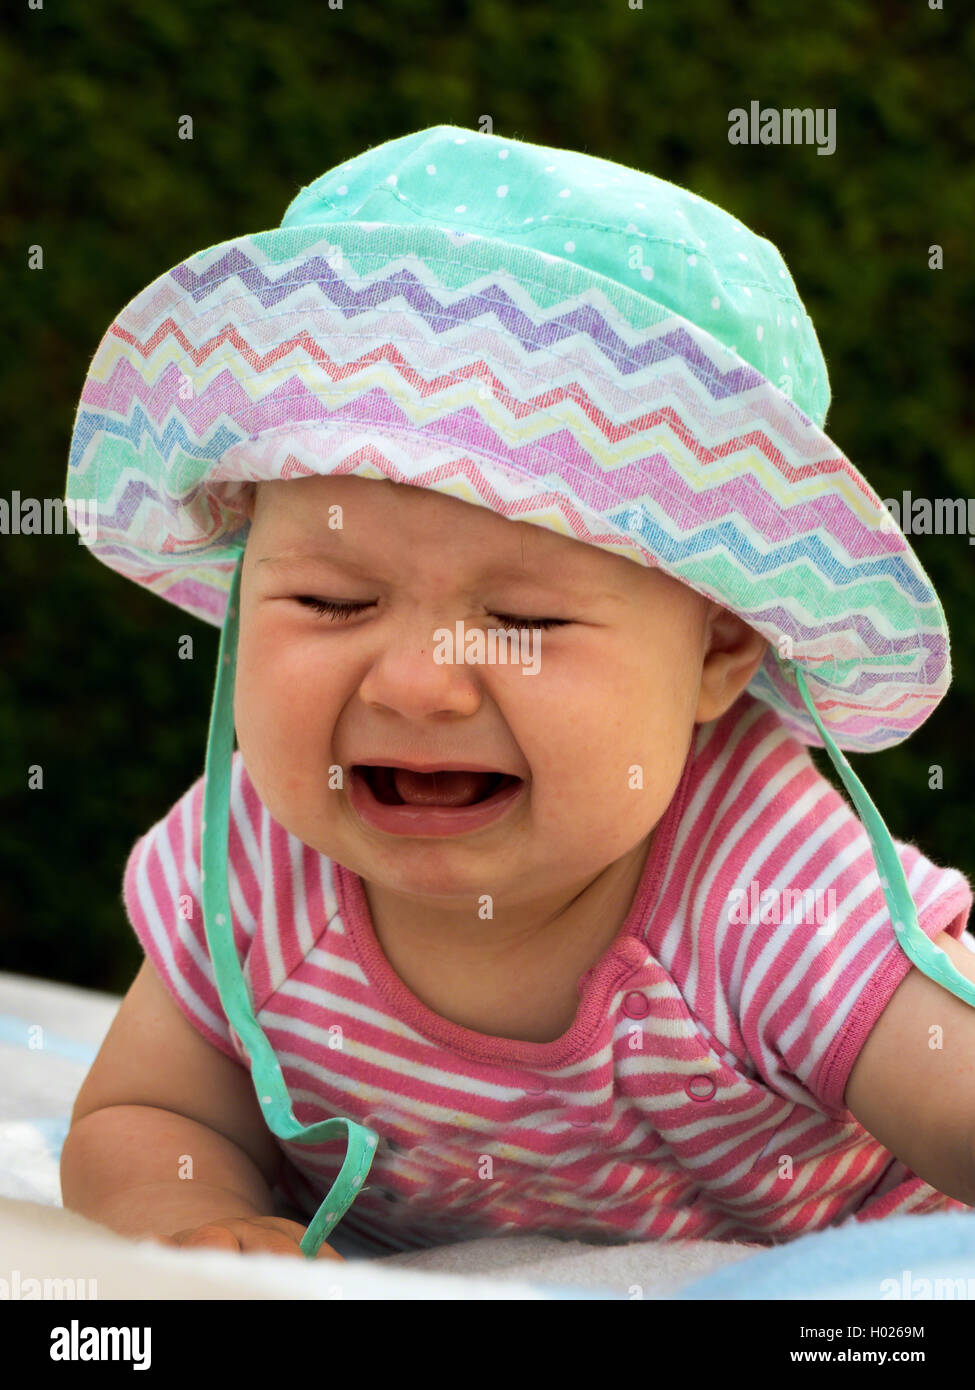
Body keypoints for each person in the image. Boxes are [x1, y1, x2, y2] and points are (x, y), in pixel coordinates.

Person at [60, 125, 975, 1262]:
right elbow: (151, 1117)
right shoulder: (254, 860)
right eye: (335, 603)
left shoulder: (761, 881)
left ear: (717, 653)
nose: (418, 683)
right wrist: (188, 1219)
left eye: (526, 621)